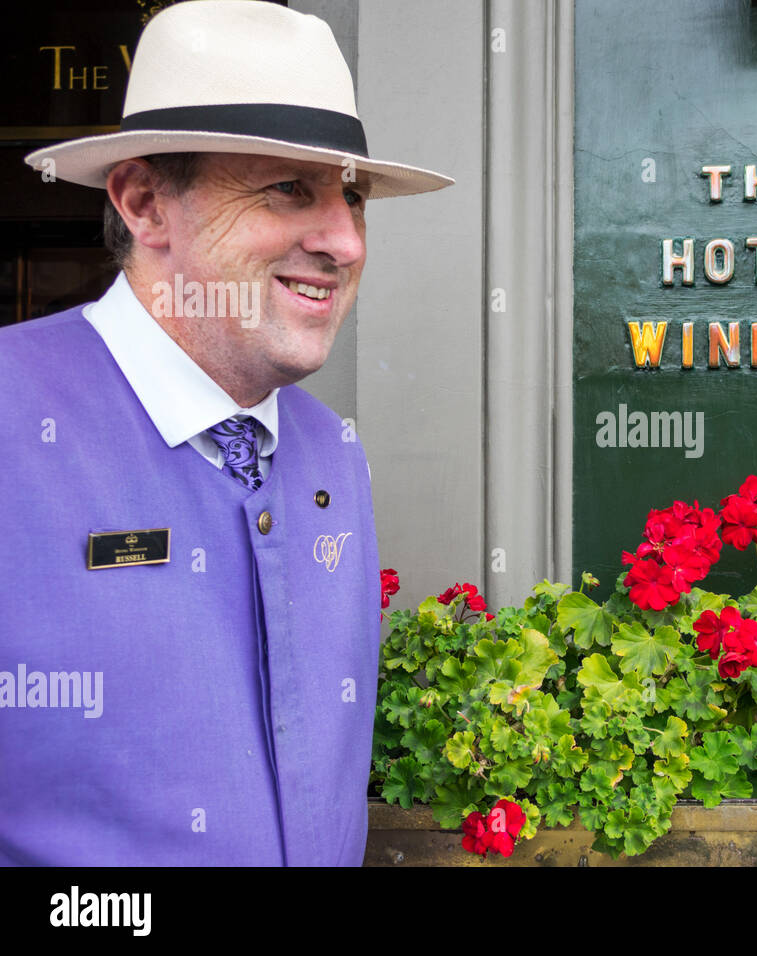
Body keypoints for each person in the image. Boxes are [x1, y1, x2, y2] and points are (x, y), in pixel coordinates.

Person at [0, 0, 452, 865]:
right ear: (144, 203)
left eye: (351, 196)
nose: (346, 240)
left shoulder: (331, 453)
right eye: (290, 187)